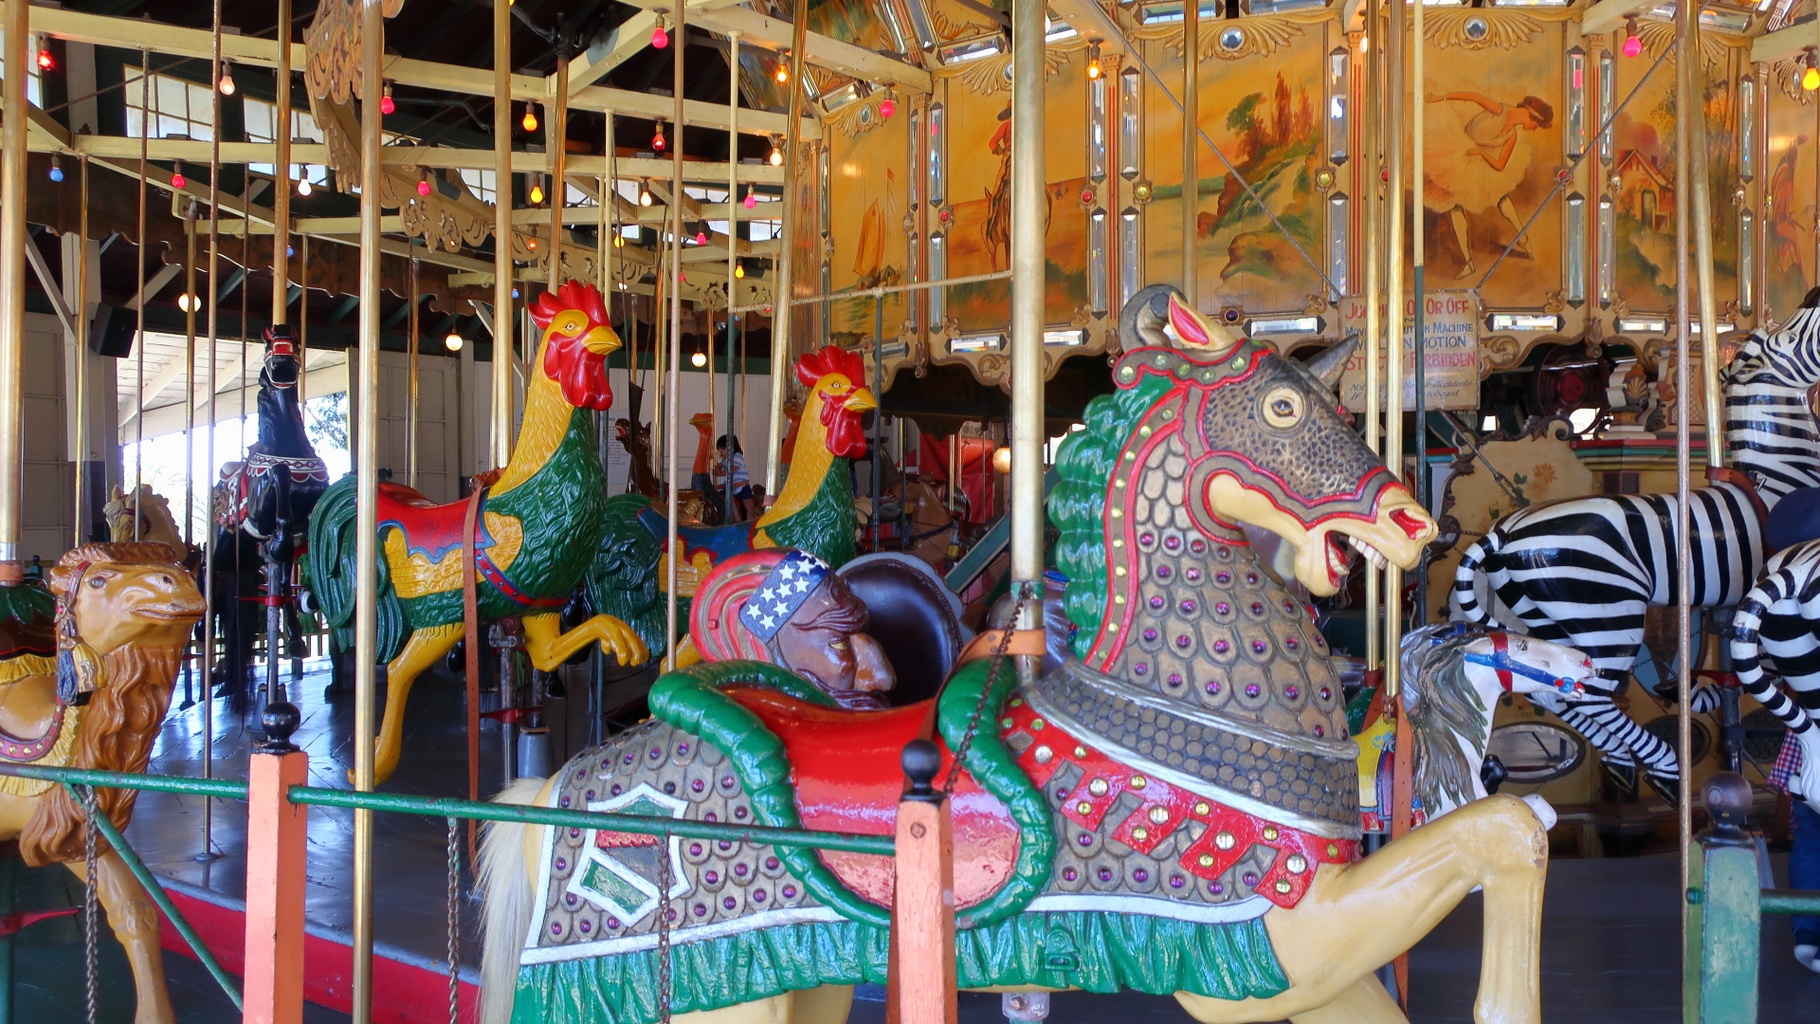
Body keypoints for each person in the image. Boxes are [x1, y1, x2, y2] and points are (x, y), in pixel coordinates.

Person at [1421, 90, 1554, 280]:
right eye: (1536, 125)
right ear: (1532, 116)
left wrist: (1481, 154)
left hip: (1476, 158)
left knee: (1500, 196)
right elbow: (1471, 96)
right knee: (1453, 203)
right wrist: (1439, 98)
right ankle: (1468, 262)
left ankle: (1523, 237)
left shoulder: (1512, 136)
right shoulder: (1499, 110)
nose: (1533, 129)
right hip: (1460, 150)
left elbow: (1500, 165)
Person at [715, 434, 753, 522]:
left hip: (741, 487)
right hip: (729, 488)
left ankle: (750, 522)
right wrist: (717, 467)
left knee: (749, 505)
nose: (720, 452)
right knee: (717, 497)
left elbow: (732, 470)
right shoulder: (723, 460)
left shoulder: (737, 457)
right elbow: (719, 466)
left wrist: (720, 473)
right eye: (719, 449)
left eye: (723, 449)